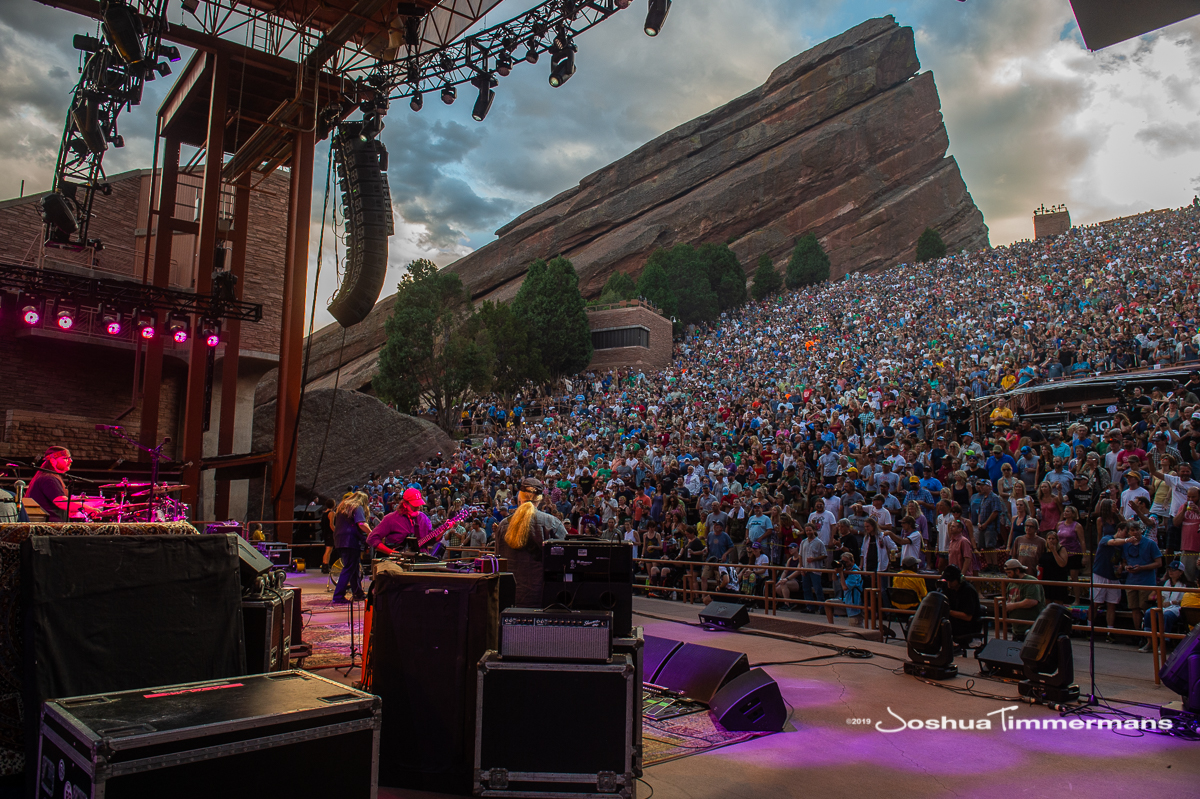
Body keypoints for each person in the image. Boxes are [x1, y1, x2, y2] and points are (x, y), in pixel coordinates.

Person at [494, 478, 569, 607]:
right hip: (542, 599)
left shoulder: (503, 525)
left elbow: (497, 561)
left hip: (508, 599)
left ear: (519, 497)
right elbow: (566, 562)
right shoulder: (553, 524)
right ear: (540, 499)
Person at [27, 446, 102, 521]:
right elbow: (61, 502)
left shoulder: (49, 476)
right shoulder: (49, 478)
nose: (71, 461)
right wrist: (88, 509)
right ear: (53, 461)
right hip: (51, 525)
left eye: (70, 458)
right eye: (65, 458)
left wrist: (76, 500)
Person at [1117, 519, 1163, 635]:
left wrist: (1142, 568)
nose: (1135, 532)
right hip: (1131, 581)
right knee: (1134, 608)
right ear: (1128, 532)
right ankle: (1138, 633)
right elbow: (1124, 561)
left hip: (1147, 581)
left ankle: (1148, 634)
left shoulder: (1150, 544)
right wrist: (1126, 567)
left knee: (1146, 608)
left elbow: (1159, 563)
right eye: (1132, 530)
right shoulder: (1126, 545)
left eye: (1137, 529)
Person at [1139, 561, 1190, 651]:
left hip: (1177, 608)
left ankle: (1164, 643)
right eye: (1169, 569)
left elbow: (1187, 600)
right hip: (1163, 606)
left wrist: (1173, 602)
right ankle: (1150, 642)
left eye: (1174, 570)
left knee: (1167, 615)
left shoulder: (1186, 585)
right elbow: (1152, 596)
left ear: (1181, 572)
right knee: (1149, 612)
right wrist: (1159, 599)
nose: (1171, 572)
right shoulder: (1164, 583)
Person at [368, 487, 434, 556]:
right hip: (397, 559)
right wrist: (390, 552)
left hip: (421, 558)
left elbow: (430, 540)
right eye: (415, 505)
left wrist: (439, 534)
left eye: (419, 505)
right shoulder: (391, 518)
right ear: (405, 504)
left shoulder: (423, 518)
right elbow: (372, 538)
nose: (418, 507)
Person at [331, 492, 371, 603]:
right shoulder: (357, 507)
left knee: (354, 568)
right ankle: (338, 596)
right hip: (350, 540)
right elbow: (361, 524)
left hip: (340, 540)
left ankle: (358, 593)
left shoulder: (342, 508)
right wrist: (371, 533)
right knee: (349, 568)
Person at [1002, 558, 1045, 641]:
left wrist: (1012, 606)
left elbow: (1032, 601)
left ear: (1017, 571)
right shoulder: (1011, 584)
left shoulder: (1030, 581)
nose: (1008, 576)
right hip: (1016, 627)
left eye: (1009, 573)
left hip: (1030, 627)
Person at [941, 565, 982, 645]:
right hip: (954, 623)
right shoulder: (948, 589)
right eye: (947, 581)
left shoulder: (968, 590)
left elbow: (968, 617)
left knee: (943, 627)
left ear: (959, 579)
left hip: (967, 627)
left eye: (951, 581)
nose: (949, 585)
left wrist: (948, 612)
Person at [825, 552, 864, 627]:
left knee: (855, 629)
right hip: (845, 600)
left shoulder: (855, 572)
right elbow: (834, 579)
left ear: (853, 561)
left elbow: (845, 587)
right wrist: (835, 570)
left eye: (846, 562)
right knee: (828, 603)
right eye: (843, 562)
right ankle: (831, 626)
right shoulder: (845, 570)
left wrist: (841, 573)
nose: (845, 564)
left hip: (854, 604)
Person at [800, 523, 828, 613]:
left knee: (817, 588)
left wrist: (814, 559)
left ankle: (821, 607)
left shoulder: (819, 542)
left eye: (810, 530)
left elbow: (824, 555)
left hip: (815, 569)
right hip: (805, 568)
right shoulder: (803, 542)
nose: (808, 532)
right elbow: (800, 555)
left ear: (814, 530)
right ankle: (809, 607)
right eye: (807, 531)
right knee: (806, 589)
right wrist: (801, 567)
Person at [319, 497, 336, 574]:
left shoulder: (324, 513)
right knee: (328, 550)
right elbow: (331, 525)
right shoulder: (331, 513)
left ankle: (324, 565)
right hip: (330, 534)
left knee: (327, 550)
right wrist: (336, 532)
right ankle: (325, 566)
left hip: (325, 533)